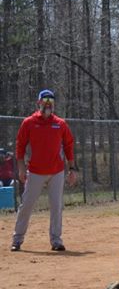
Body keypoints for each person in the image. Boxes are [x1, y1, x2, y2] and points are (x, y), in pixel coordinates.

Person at [11, 89, 78, 251]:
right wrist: (21, 168)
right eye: (45, 101)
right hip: (35, 172)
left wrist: (72, 169)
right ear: (39, 103)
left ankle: (56, 241)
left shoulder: (60, 123)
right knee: (26, 205)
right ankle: (17, 239)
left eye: (51, 101)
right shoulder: (29, 122)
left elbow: (69, 146)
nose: (48, 104)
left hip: (56, 171)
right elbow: (20, 145)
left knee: (56, 206)